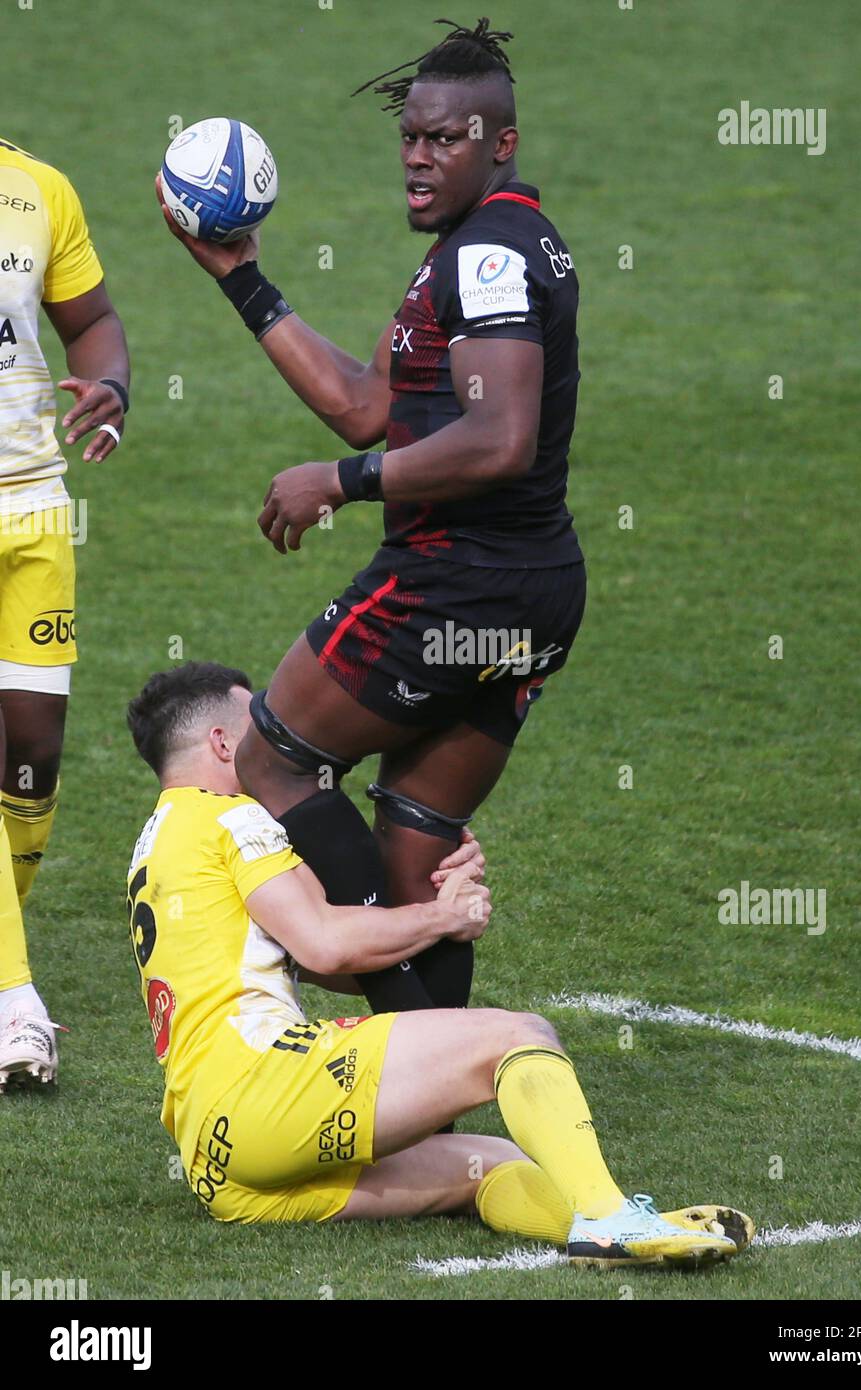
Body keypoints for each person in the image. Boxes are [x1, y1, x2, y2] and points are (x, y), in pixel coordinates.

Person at [155, 18, 586, 1018]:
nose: (420, 157)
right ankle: (445, 1085)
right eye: (412, 138)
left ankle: (377, 1005)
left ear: (502, 144)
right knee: (416, 850)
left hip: (453, 579)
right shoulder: (485, 246)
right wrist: (240, 277)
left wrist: (340, 483)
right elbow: (366, 401)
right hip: (533, 592)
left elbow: (498, 437)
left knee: (268, 758)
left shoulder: (485, 260)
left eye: (448, 139)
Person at [124, 662, 754, 1267]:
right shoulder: (229, 817)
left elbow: (328, 963)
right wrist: (444, 918)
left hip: (219, 1155)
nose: (275, 733)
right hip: (264, 1088)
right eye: (258, 721)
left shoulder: (159, 844)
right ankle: (611, 1220)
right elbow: (326, 944)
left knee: (486, 1162)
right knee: (518, 1035)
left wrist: (427, 903)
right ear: (223, 742)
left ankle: (627, 1227)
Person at [0, 135, 130, 1091]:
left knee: (31, 758)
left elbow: (93, 320)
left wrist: (112, 385)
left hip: (35, 508)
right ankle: (15, 1008)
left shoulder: (39, 188)